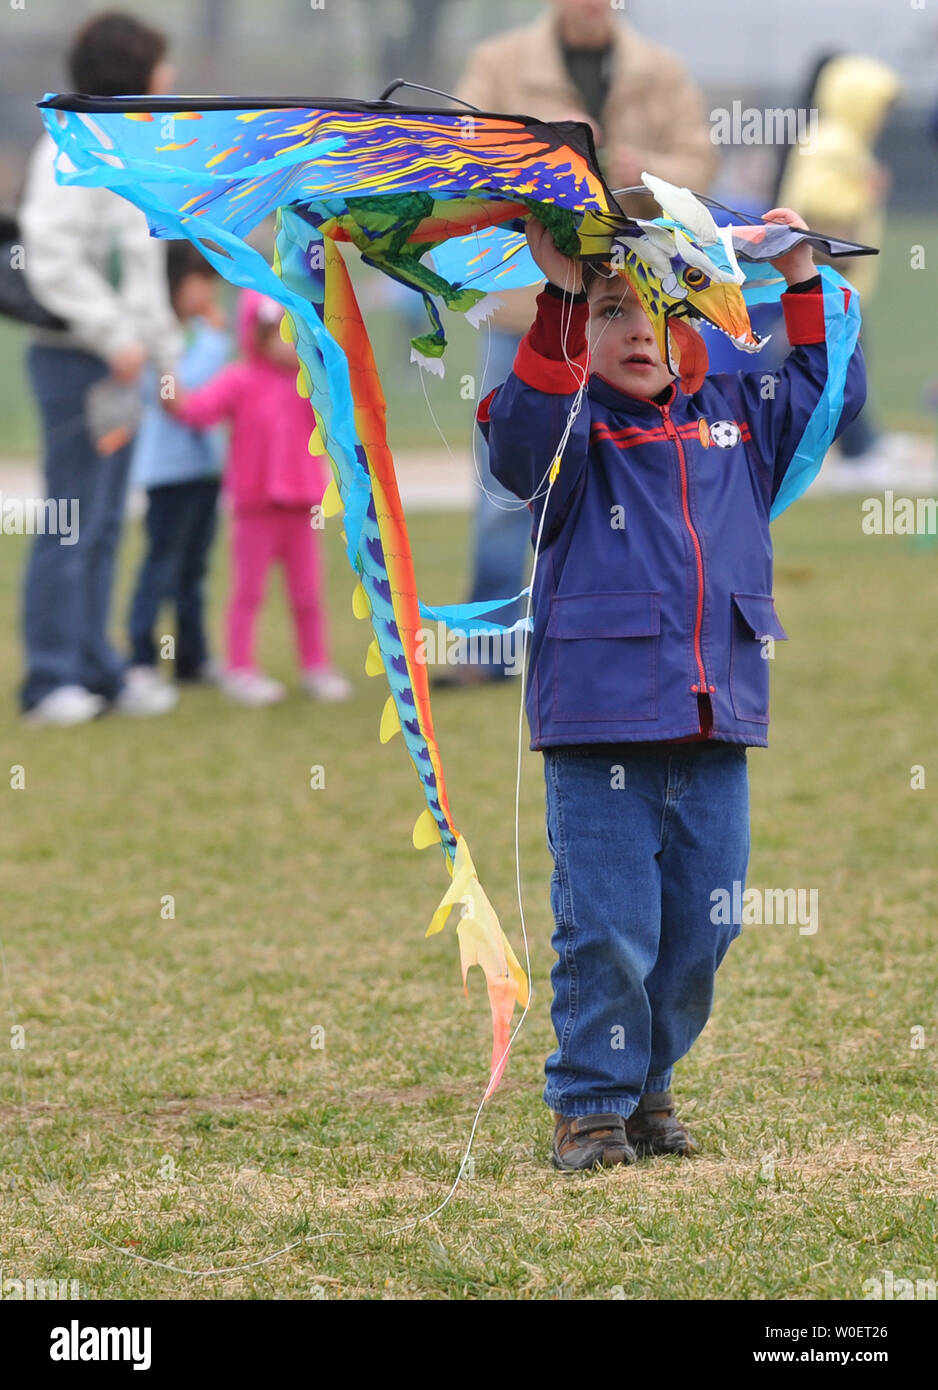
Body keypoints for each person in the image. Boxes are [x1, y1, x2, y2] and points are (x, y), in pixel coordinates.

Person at [479, 210, 866, 1170]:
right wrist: (567, 294)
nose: (640, 331)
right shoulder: (566, 430)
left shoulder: (736, 418)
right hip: (600, 724)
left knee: (704, 923)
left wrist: (804, 272)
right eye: (614, 312)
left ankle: (650, 1085)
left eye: (658, 308)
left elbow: (827, 393)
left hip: (716, 718)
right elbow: (519, 444)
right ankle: (592, 1103)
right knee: (608, 927)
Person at [435, 0, 716, 687]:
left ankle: (614, 630)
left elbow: (699, 165)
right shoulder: (499, 66)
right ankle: (491, 646)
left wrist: (645, 171)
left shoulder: (662, 71)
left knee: (636, 477)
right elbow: (461, 161)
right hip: (531, 311)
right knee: (510, 479)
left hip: (635, 312)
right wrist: (547, 166)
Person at [18, 11, 181, 724]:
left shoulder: (124, 149)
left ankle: (96, 666)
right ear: (132, 72)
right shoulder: (70, 148)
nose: (168, 78)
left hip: (123, 367)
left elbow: (142, 275)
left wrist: (167, 361)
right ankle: (48, 679)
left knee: (108, 520)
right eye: (159, 64)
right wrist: (115, 333)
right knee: (68, 519)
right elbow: (50, 257)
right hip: (76, 363)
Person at [169, 290, 352, 707]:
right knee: (248, 593)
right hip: (254, 509)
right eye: (281, 334)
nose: (291, 344)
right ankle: (240, 669)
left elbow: (343, 418)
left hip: (303, 508)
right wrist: (172, 394)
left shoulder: (311, 385)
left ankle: (316, 666)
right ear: (256, 334)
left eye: (297, 334)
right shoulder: (239, 380)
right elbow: (200, 410)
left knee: (307, 594)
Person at [776, 53, 901, 477]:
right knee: (841, 358)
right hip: (829, 273)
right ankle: (858, 449)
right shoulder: (834, 143)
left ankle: (856, 445)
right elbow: (815, 202)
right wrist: (864, 190)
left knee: (843, 355)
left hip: (838, 276)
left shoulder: (840, 141)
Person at [126, 242, 230, 694]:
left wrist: (211, 342)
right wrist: (215, 341)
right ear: (174, 283)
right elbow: (173, 392)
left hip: (205, 469)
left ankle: (192, 658)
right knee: (160, 566)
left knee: (195, 570)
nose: (206, 291)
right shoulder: (160, 337)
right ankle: (140, 657)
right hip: (168, 473)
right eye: (198, 281)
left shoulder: (202, 337)